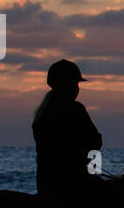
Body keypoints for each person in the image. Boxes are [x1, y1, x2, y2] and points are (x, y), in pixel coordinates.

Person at [33, 59, 103, 200]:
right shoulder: (75, 109)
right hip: (74, 183)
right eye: (75, 83)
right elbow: (95, 141)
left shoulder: (42, 113)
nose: (77, 88)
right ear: (67, 85)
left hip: (45, 184)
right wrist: (91, 168)